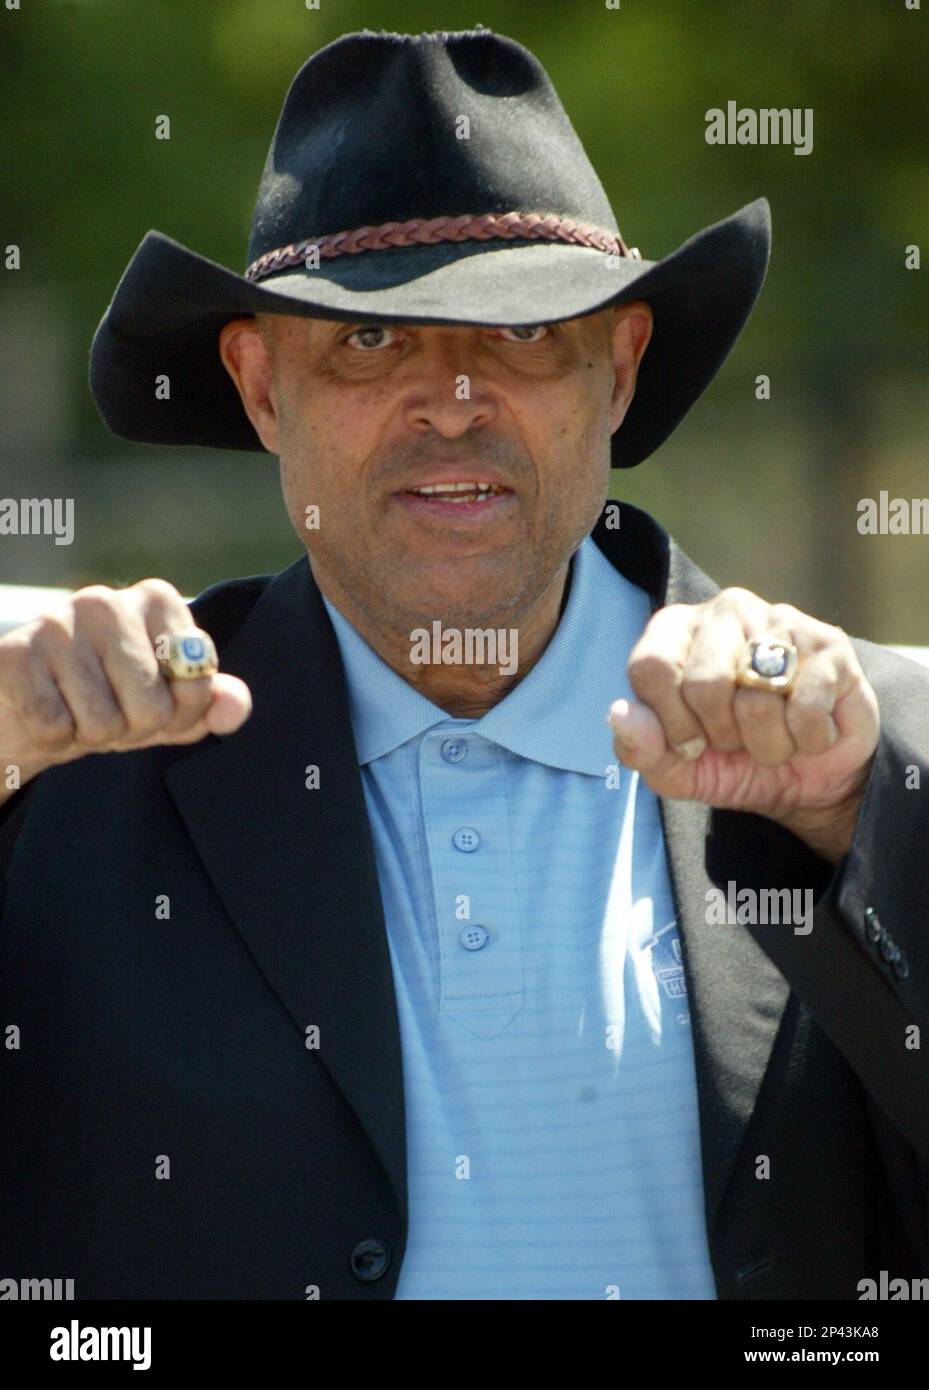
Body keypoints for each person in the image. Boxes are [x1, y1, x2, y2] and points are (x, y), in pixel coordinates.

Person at [1, 27, 927, 1301]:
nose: (450, 400)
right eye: (371, 345)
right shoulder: (64, 775)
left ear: (618, 368)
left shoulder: (872, 754)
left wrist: (859, 819)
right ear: (262, 387)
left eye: (525, 335)